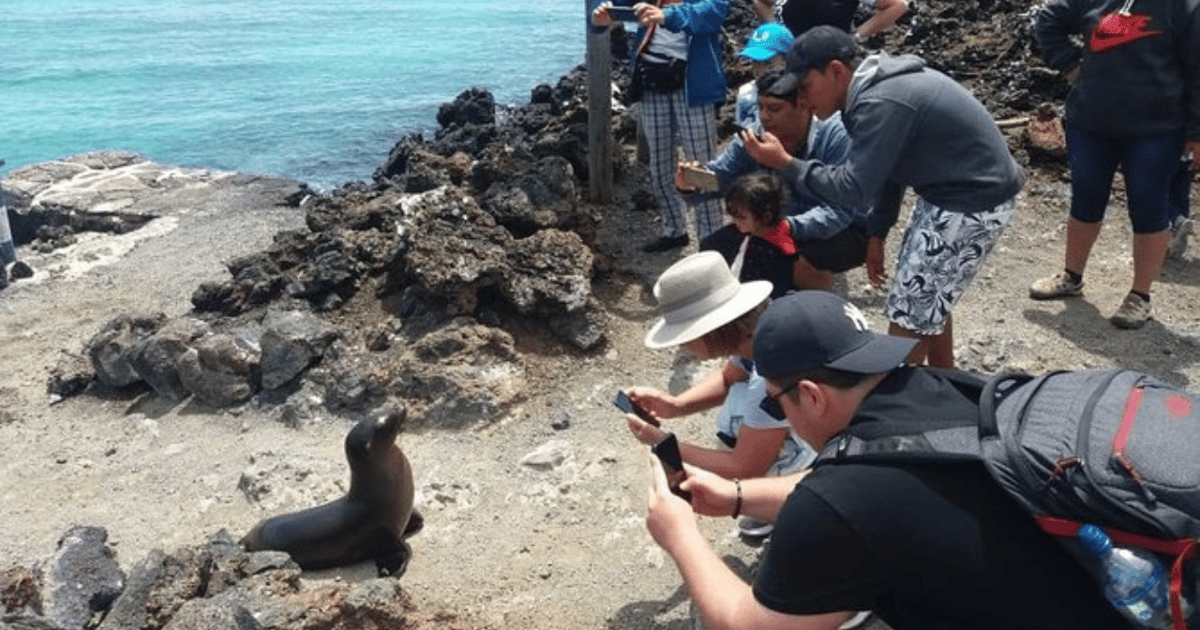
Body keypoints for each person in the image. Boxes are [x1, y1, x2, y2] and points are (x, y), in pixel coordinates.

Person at [641, 290, 1130, 630]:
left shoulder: (841, 504)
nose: (776, 413)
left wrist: (680, 536)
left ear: (810, 395)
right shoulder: (943, 387)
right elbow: (852, 487)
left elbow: (747, 622)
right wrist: (738, 497)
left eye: (774, 402)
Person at [745, 25, 1022, 367]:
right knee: (924, 294)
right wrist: (878, 231)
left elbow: (854, 190)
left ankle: (892, 402)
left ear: (835, 71)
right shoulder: (870, 93)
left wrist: (786, 163)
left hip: (972, 199)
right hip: (951, 193)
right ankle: (944, 380)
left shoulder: (881, 101)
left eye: (806, 87)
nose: (802, 100)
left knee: (908, 310)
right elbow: (892, 169)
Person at [1027, 0, 1200, 328]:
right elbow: (1048, 19)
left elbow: (1198, 70)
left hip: (1156, 130)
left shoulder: (1184, 8)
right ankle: (1072, 276)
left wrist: (1196, 132)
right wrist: (1070, 65)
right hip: (1091, 123)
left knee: (1149, 207)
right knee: (1086, 199)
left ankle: (1140, 296)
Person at [622, 251, 815, 536]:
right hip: (823, 411)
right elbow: (728, 378)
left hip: (836, 440)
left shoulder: (770, 378)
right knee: (738, 406)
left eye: (685, 336)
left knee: (743, 422)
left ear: (711, 329)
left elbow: (744, 466)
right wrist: (675, 405)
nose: (682, 346)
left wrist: (663, 443)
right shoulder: (757, 330)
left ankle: (788, 498)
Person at [684, 67, 867, 291]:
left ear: (802, 104)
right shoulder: (754, 136)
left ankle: (818, 309)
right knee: (714, 249)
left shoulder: (836, 138)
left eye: (774, 108)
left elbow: (841, 210)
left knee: (795, 260)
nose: (764, 116)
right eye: (760, 107)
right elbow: (721, 176)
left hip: (841, 228)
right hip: (773, 222)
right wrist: (690, 184)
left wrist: (789, 226)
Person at [591, 0, 730, 253]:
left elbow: (713, 12)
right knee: (660, 165)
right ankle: (674, 229)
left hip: (693, 85)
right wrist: (605, 21)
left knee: (702, 166)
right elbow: (621, 13)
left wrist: (666, 16)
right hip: (652, 82)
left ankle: (711, 242)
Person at [701, 172, 863, 294]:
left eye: (741, 217)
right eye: (732, 215)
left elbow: (822, 285)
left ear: (765, 216)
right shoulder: (727, 238)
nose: (734, 221)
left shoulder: (786, 248)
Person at [752, 0, 909, 44]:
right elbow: (759, 2)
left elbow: (898, 6)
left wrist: (857, 36)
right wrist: (780, 35)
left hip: (835, 56)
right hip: (794, 57)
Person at [733, 22, 794, 134]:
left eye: (767, 63)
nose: (760, 70)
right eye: (755, 62)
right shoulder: (746, 94)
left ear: (788, 60)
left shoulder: (803, 96)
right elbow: (743, 140)